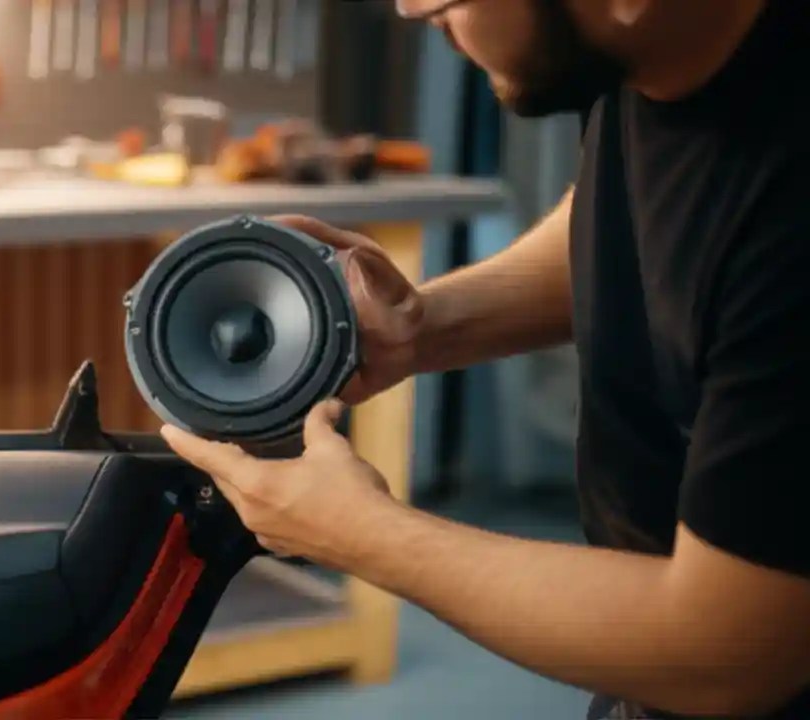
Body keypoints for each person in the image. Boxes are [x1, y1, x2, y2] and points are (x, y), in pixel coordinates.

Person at [159, 1, 810, 718]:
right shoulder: (654, 54)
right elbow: (641, 218)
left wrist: (363, 533)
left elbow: (728, 650)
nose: (413, 13)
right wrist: (424, 328)